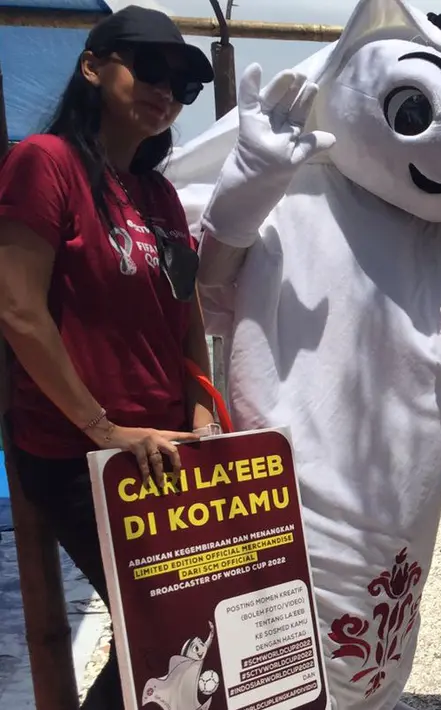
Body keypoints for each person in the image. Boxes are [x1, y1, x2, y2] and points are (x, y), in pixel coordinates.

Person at [0, 6, 216, 708]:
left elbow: (187, 316)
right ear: (92, 66)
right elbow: (17, 309)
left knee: (195, 615)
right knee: (166, 621)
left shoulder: (160, 195)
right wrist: (105, 429)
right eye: (149, 68)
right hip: (78, 449)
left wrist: (203, 412)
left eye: (183, 84)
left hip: (164, 447)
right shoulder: (45, 163)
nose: (166, 90)